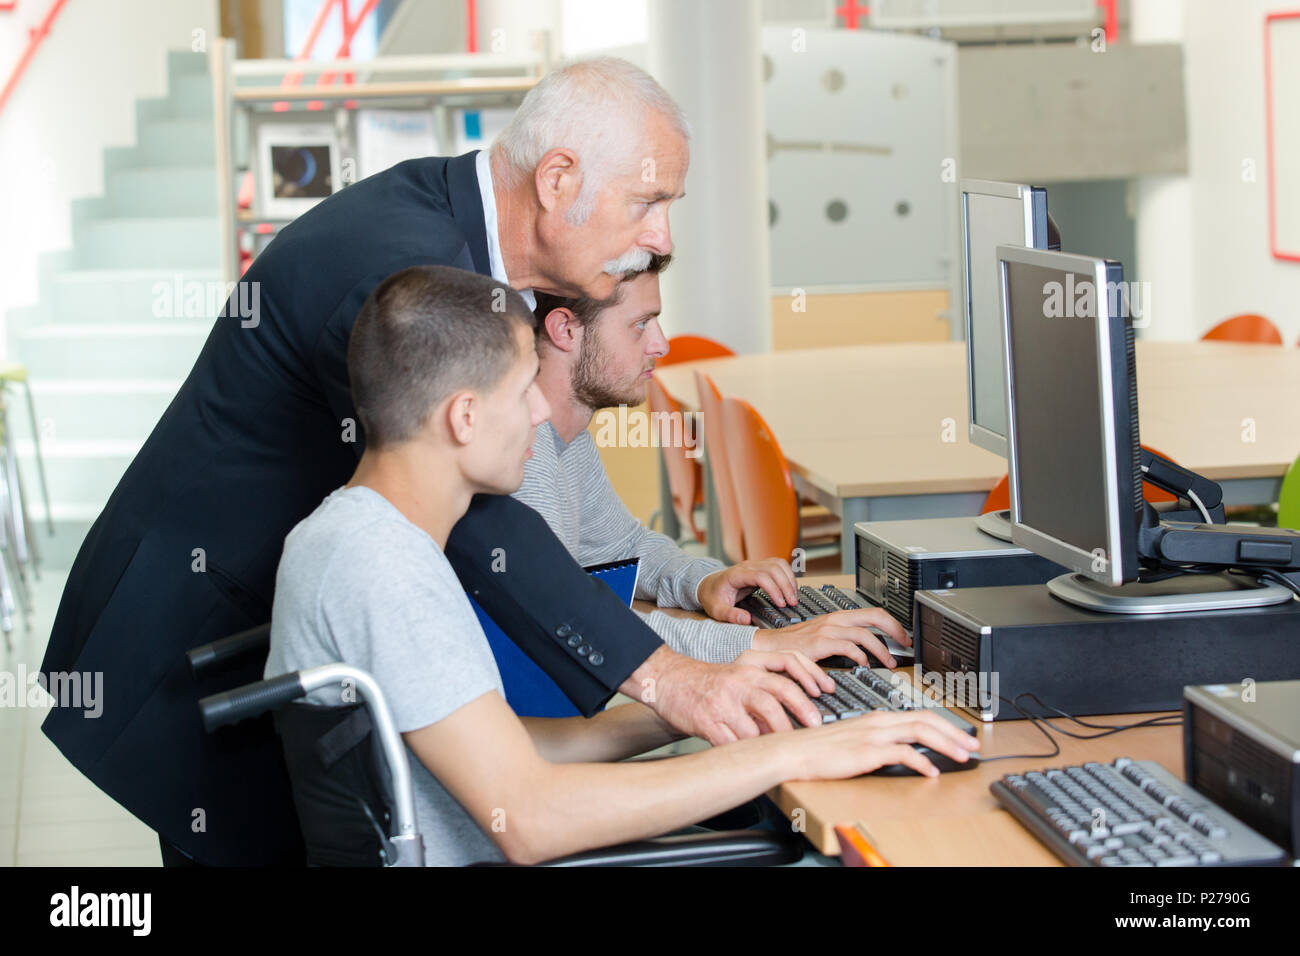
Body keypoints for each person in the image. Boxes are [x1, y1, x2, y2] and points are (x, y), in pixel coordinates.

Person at [40, 57, 823, 867]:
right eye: (650, 202)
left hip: (289, 629)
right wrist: (671, 677)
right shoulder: (400, 265)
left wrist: (699, 681)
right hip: (193, 619)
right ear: (557, 180)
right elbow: (482, 522)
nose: (660, 237)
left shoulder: (462, 250)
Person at [265, 265, 979, 865]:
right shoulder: (383, 566)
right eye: (523, 393)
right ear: (463, 418)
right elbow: (530, 815)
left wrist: (718, 703)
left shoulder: (359, 539)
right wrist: (789, 757)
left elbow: (504, 750)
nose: (542, 416)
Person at [521, 261, 911, 666]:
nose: (661, 345)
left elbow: (622, 549)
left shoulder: (568, 441)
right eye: (640, 324)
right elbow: (571, 623)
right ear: (566, 330)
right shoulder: (524, 456)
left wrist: (704, 581)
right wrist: (761, 646)